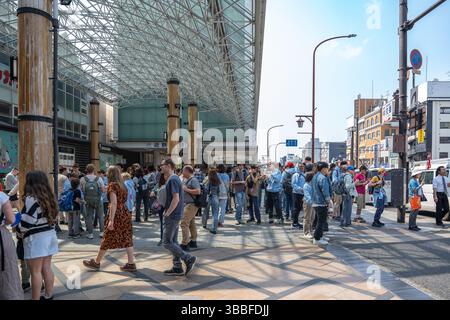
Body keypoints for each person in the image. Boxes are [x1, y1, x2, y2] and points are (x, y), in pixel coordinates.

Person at [83, 166, 137, 272]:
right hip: (125, 213)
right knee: (127, 238)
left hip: (116, 215)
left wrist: (111, 220)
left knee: (107, 238)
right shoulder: (123, 185)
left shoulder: (113, 186)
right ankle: (131, 263)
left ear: (110, 174)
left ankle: (97, 263)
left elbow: (113, 203)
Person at [19, 171, 59, 300]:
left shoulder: (31, 198)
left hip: (37, 239)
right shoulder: (50, 196)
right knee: (46, 267)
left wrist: (19, 230)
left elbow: (27, 222)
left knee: (35, 271)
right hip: (50, 235)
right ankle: (49, 295)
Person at [160, 159, 197, 276]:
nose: (161, 167)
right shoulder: (174, 179)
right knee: (173, 241)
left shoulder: (173, 179)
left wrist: (168, 213)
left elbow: (176, 198)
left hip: (172, 215)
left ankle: (188, 258)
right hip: (175, 214)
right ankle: (177, 267)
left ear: (169, 166)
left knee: (166, 242)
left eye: (162, 165)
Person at [0, 189, 23, 300]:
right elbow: (11, 218)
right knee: (7, 270)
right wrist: (4, 221)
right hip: (1, 237)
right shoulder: (1, 196)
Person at [81, 164, 106, 239]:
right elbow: (103, 190)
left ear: (86, 170)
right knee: (100, 216)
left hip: (87, 201)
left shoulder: (83, 179)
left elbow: (81, 190)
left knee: (89, 217)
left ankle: (90, 234)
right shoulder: (99, 179)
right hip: (98, 200)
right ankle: (102, 232)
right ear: (94, 170)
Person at [311, 162, 333, 246]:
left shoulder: (315, 176)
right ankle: (317, 238)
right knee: (321, 221)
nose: (328, 170)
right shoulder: (322, 178)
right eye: (327, 168)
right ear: (324, 169)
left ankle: (320, 236)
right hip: (321, 203)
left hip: (315, 202)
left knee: (319, 221)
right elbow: (325, 191)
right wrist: (329, 201)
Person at [181, 166, 201, 251]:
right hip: (189, 204)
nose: (182, 172)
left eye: (183, 171)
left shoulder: (193, 180)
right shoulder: (187, 180)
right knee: (191, 223)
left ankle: (185, 243)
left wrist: (186, 189)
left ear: (187, 171)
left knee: (184, 223)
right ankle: (193, 241)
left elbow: (198, 191)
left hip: (191, 205)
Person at [151, 173, 167, 246]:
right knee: (164, 223)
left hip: (164, 206)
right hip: (164, 206)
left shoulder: (168, 183)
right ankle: (164, 239)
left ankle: (164, 239)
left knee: (164, 223)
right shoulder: (160, 185)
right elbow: (152, 192)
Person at [205, 168, 222, 234]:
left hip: (210, 197)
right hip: (216, 197)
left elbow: (207, 191)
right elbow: (218, 191)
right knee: (215, 214)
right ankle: (214, 229)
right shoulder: (218, 181)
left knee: (207, 212)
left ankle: (205, 224)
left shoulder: (209, 181)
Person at [291, 164, 306, 230]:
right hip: (297, 193)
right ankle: (294, 223)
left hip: (302, 193)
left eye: (303, 166)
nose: (302, 168)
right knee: (296, 208)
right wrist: (301, 189)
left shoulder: (303, 174)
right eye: (300, 167)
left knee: (299, 208)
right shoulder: (296, 175)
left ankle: (296, 222)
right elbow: (294, 184)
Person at [302, 172, 315, 240]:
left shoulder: (312, 185)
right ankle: (306, 232)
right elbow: (307, 196)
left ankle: (310, 231)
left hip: (313, 203)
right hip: (307, 203)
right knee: (307, 218)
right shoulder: (306, 185)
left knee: (312, 218)